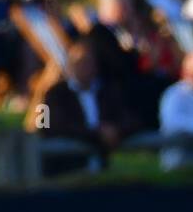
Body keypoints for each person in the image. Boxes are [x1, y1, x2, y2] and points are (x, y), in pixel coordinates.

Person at [40, 40, 140, 176]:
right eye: (79, 63)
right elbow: (50, 126)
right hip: (66, 167)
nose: (84, 67)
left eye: (88, 62)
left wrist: (116, 130)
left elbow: (131, 118)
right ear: (69, 66)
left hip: (104, 167)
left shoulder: (109, 91)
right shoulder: (54, 94)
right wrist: (96, 135)